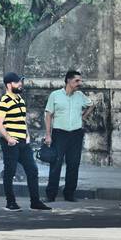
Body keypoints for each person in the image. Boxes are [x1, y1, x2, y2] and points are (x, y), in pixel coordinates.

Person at [0, 72, 49, 211]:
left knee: (32, 170)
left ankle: (35, 202)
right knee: (10, 172)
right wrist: (9, 138)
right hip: (10, 143)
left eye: (21, 82)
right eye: (18, 82)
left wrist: (27, 135)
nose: (20, 84)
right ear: (9, 84)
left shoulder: (20, 100)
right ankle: (10, 202)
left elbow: (22, 120)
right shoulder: (3, 101)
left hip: (24, 142)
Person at [43, 70, 97, 202]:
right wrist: (48, 135)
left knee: (73, 164)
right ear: (68, 81)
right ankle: (51, 195)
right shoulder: (55, 95)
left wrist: (83, 117)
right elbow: (48, 115)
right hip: (59, 133)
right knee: (56, 163)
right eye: (76, 81)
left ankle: (69, 194)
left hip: (76, 134)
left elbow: (91, 104)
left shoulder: (80, 95)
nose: (80, 83)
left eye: (80, 80)